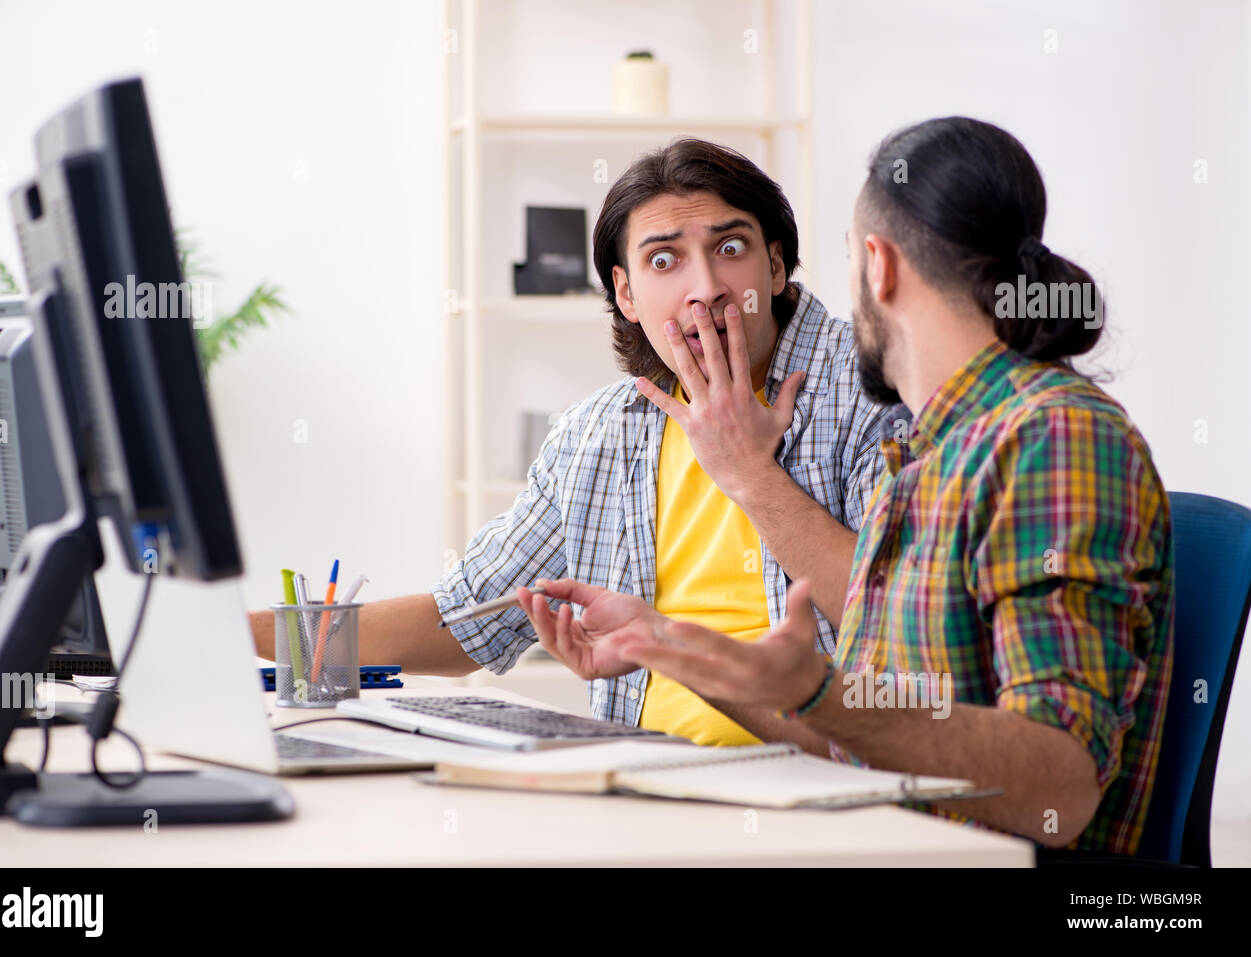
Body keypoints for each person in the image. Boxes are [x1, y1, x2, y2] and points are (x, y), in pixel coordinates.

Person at [518, 117, 1174, 854]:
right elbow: (879, 736)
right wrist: (670, 645)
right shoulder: (927, 455)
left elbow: (1059, 781)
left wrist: (816, 691)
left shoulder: (1050, 438)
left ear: (878, 266)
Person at [251, 138, 895, 746]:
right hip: (645, 781)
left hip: (834, 782)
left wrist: (751, 475)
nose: (705, 288)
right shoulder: (599, 433)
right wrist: (231, 640)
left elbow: (900, 618)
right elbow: (462, 622)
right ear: (626, 293)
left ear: (776, 265)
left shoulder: (875, 387)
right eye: (663, 260)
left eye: (730, 248)